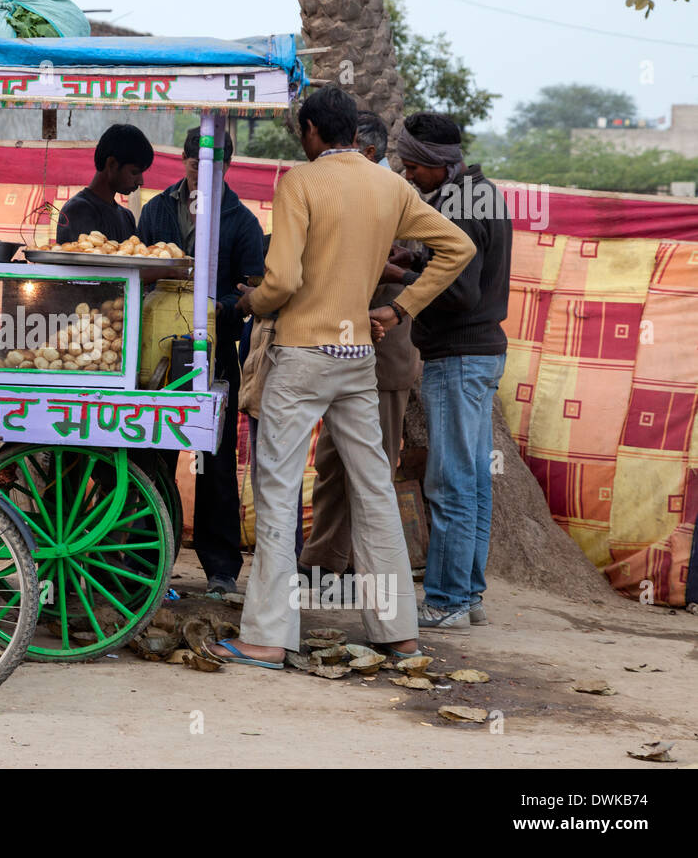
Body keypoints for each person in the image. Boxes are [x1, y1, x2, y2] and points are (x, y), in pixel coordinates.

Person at [208, 85, 475, 669]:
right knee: (374, 492)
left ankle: (266, 638)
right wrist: (400, 308)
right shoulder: (391, 185)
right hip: (357, 356)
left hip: (302, 355)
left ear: (310, 132)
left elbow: (281, 282)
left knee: (278, 492)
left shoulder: (299, 183)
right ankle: (399, 631)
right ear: (354, 132)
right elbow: (457, 247)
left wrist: (251, 302)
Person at [389, 112, 513, 633]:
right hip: (481, 354)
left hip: (458, 357)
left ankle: (446, 600)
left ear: (441, 166)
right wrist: (416, 260)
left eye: (415, 167)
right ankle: (469, 594)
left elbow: (458, 293)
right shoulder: (483, 193)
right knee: (473, 480)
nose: (409, 175)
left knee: (451, 481)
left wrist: (400, 274)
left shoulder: (458, 207)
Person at [138, 127, 264, 595]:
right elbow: (140, 270)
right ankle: (147, 562)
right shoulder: (155, 210)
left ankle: (221, 570)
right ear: (184, 161)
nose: (199, 173)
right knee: (152, 453)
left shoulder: (242, 221)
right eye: (193, 163)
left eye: (210, 166)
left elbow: (253, 290)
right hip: (156, 352)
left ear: (227, 167)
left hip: (216, 355)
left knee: (214, 459)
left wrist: (217, 307)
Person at [300, 111, 422, 582]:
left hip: (384, 354)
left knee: (371, 470)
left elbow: (413, 268)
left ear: (366, 152)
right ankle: (325, 560)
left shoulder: (394, 195)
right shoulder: (369, 189)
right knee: (334, 462)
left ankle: (359, 568)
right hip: (347, 349)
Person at [55, 124, 153, 244]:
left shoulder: (127, 217)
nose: (140, 181)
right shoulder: (77, 211)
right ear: (111, 164)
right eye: (134, 172)